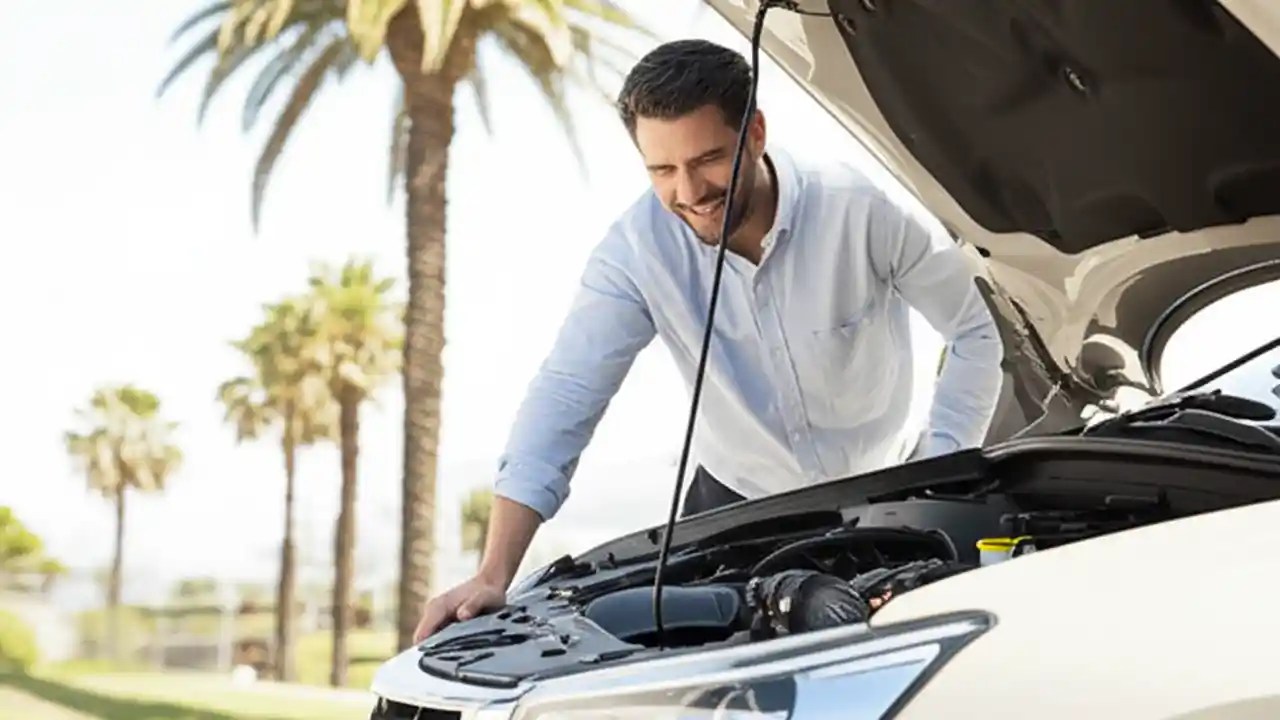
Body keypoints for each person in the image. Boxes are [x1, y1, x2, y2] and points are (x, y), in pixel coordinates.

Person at [412, 38, 1004, 642]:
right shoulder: (634, 254)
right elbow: (566, 396)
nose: (689, 191)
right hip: (736, 505)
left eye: (708, 159)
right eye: (662, 170)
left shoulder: (862, 211)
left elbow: (976, 331)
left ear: (756, 132)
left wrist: (939, 469)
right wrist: (493, 572)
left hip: (888, 491)